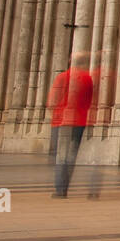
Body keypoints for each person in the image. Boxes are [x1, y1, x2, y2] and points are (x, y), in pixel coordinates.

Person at [51, 55, 94, 198]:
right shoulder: (88, 78)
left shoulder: (62, 77)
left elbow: (52, 101)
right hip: (80, 121)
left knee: (61, 156)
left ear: (70, 62)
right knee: (71, 155)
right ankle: (65, 185)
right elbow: (89, 101)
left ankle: (60, 190)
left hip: (62, 121)